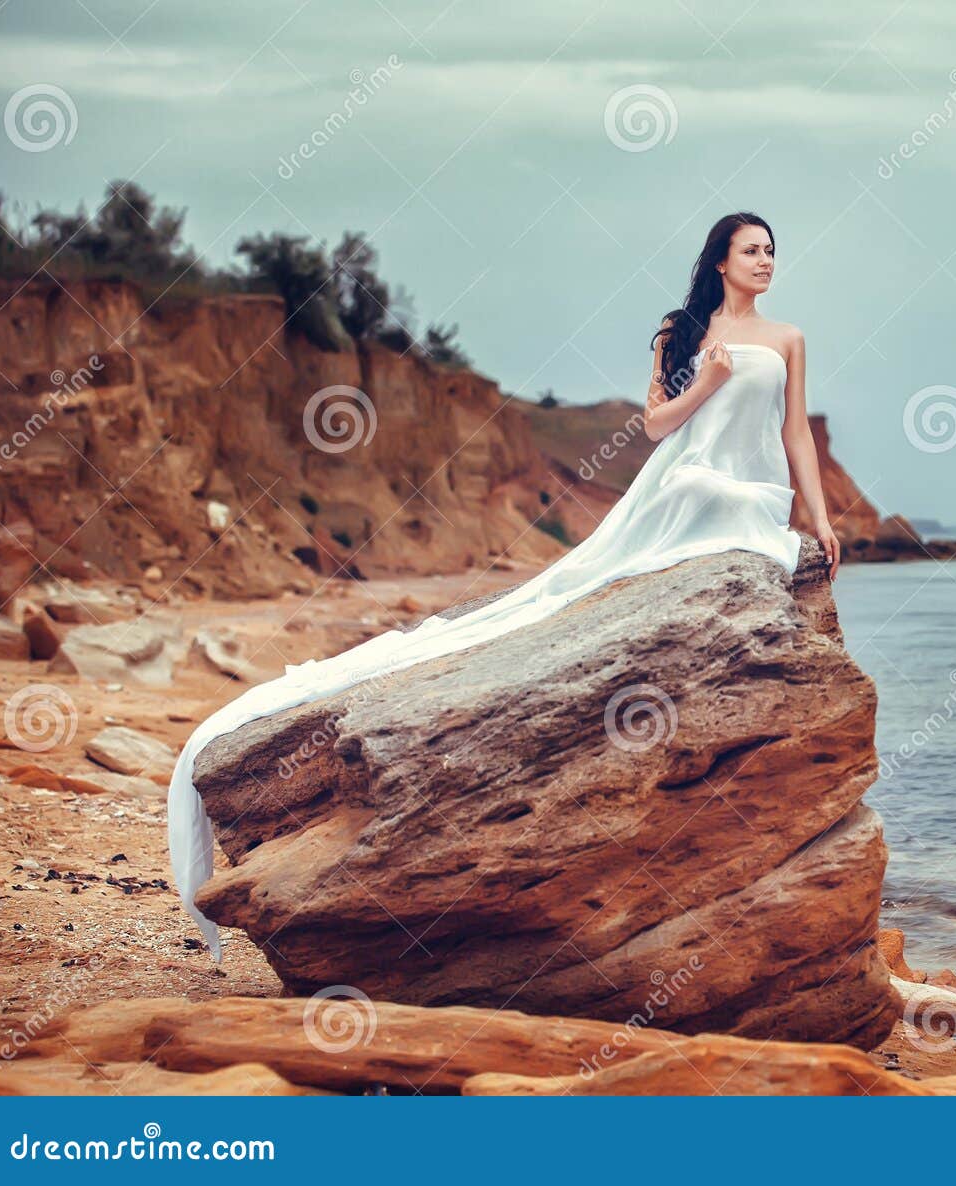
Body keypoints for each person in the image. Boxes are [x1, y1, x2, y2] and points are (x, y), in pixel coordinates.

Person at [167, 211, 841, 956]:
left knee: (754, 523)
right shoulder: (679, 331)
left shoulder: (787, 340)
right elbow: (655, 426)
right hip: (690, 482)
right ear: (721, 260)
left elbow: (795, 434)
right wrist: (707, 379)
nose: (767, 261)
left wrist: (819, 514)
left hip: (756, 487)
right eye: (752, 250)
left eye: (773, 250)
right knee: (673, 524)